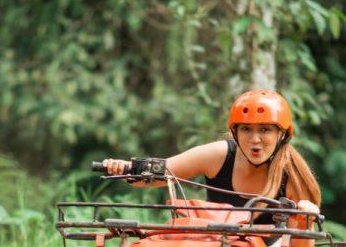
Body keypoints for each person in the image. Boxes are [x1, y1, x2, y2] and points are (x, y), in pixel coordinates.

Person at [101, 89, 321, 221]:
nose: (255, 139)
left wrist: (304, 218)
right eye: (246, 129)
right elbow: (161, 172)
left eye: (265, 129)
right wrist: (126, 169)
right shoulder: (219, 155)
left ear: (282, 135)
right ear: (235, 132)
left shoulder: (292, 177)